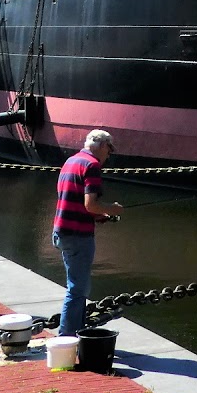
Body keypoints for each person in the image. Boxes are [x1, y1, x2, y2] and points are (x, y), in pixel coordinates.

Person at [51, 128, 124, 336]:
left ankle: (76, 330)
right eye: (109, 149)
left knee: (76, 285)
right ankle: (67, 337)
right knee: (78, 289)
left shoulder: (71, 161)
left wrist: (99, 216)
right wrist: (113, 209)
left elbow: (72, 199)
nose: (109, 154)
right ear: (102, 145)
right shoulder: (92, 165)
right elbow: (91, 204)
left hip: (61, 230)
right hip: (78, 235)